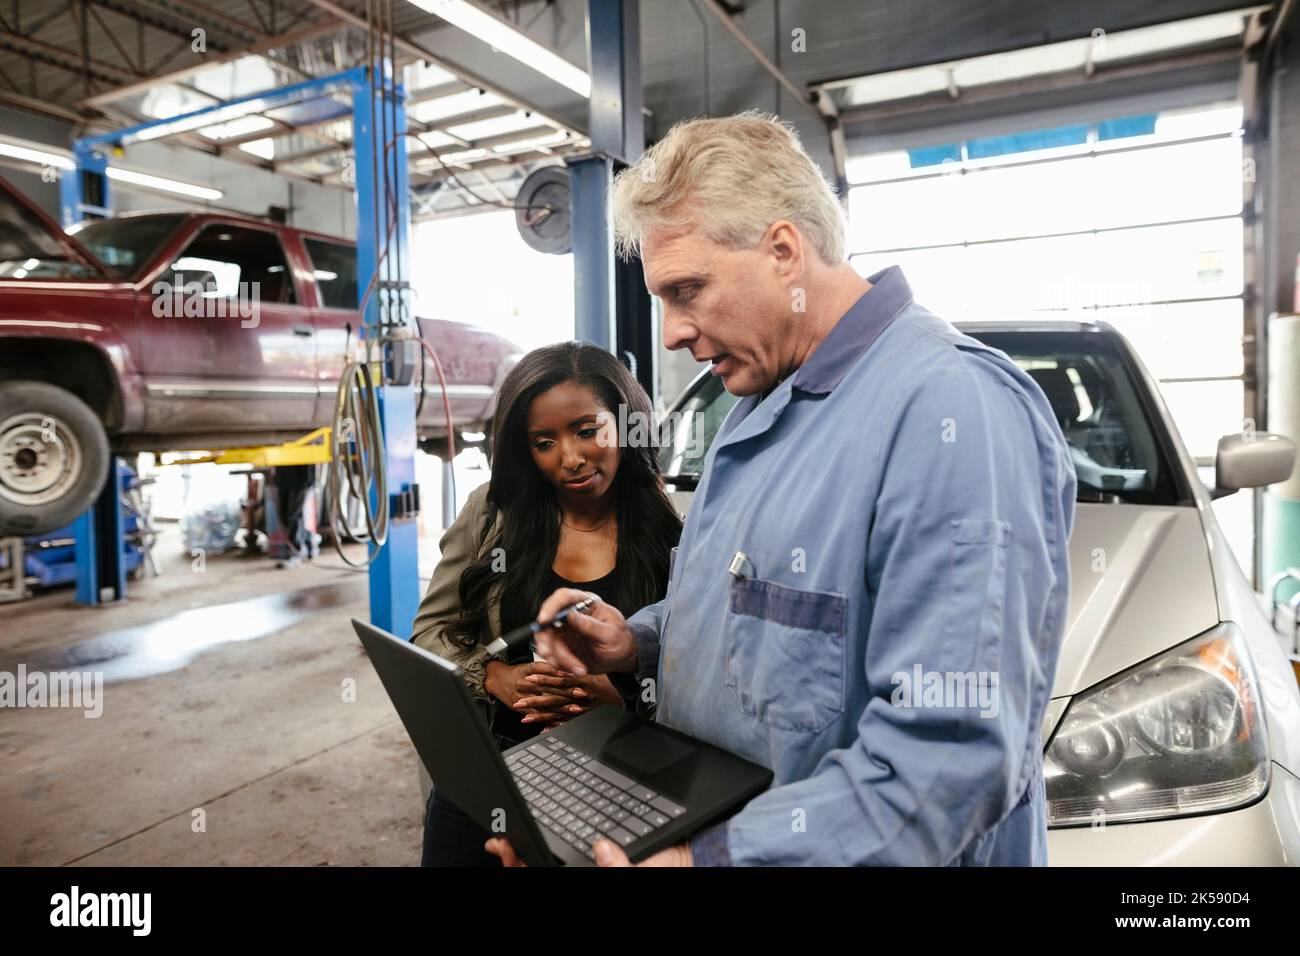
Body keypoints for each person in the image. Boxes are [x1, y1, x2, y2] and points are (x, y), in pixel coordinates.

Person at [486, 112, 1077, 868]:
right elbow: (766, 610)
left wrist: (713, 861)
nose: (670, 332)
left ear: (783, 251)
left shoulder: (950, 410)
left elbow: (948, 764)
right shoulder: (759, 403)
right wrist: (634, 640)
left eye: (687, 290)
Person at [411, 341, 682, 866]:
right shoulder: (492, 515)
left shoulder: (671, 536)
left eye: (587, 430)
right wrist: (494, 677)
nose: (571, 458)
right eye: (544, 442)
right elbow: (430, 630)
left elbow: (697, 670)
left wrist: (622, 700)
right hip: (492, 777)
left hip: (617, 788)